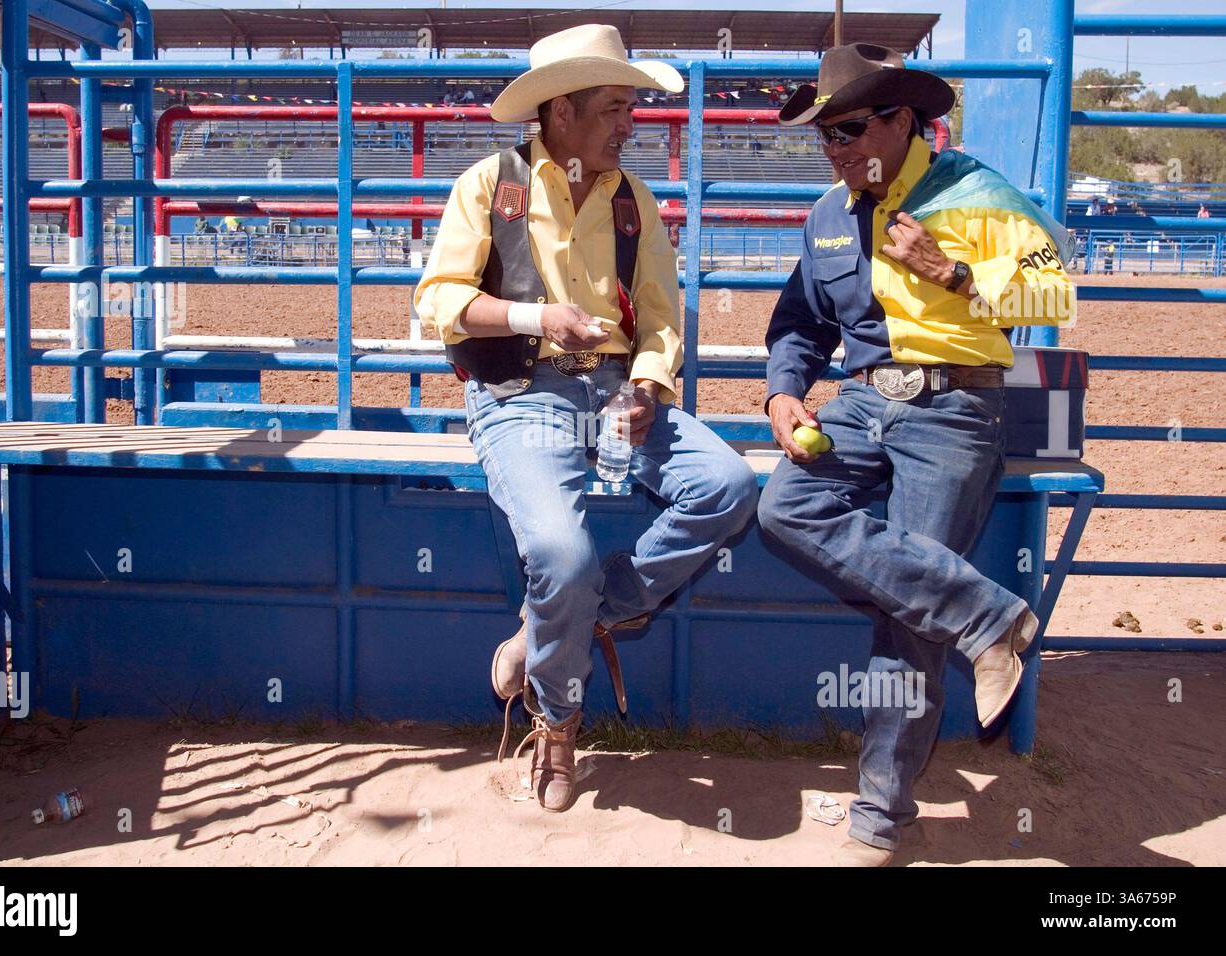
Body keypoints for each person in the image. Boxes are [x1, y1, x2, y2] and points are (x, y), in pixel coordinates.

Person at [415, 24, 758, 813]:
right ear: (559, 112)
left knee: (730, 485)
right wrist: (539, 319)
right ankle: (559, 719)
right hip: (518, 395)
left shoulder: (634, 201)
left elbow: (664, 320)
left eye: (630, 107)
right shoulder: (488, 185)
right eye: (613, 108)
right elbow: (438, 306)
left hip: (614, 394)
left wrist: (645, 384)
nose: (628, 124)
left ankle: (553, 630)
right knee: (563, 555)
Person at [756, 43, 1075, 866]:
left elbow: (1056, 293)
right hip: (862, 402)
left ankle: (881, 819)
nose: (836, 149)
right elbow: (801, 320)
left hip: (958, 404)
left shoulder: (976, 193)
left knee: (909, 621)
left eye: (851, 128)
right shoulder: (829, 213)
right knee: (782, 507)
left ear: (903, 120)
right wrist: (783, 391)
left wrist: (955, 273)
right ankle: (989, 617)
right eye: (825, 135)